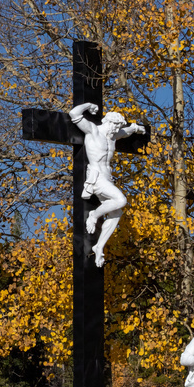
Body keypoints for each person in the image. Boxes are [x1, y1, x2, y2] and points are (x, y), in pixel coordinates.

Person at [69, 103, 146, 267]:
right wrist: (89, 106)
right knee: (121, 200)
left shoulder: (112, 137)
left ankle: (99, 247)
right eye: (115, 126)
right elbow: (74, 114)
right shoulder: (93, 130)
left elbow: (126, 132)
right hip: (96, 178)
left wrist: (137, 129)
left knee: (116, 213)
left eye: (118, 127)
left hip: (107, 178)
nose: (115, 130)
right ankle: (94, 216)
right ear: (109, 122)